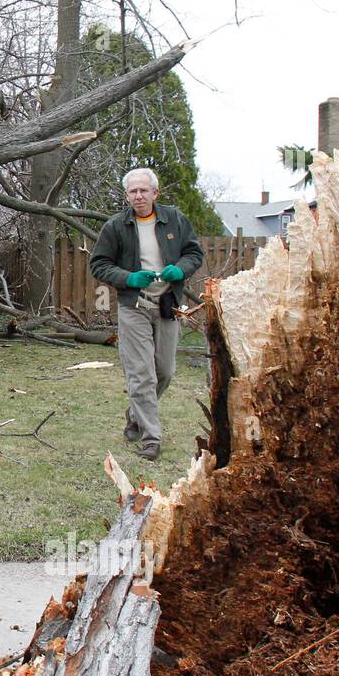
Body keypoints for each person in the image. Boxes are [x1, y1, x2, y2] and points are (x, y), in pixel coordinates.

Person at [89, 168, 203, 460]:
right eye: (132, 192)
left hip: (168, 304)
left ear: (155, 193)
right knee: (142, 374)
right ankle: (152, 437)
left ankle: (136, 414)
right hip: (134, 305)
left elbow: (194, 253)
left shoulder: (174, 219)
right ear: (127, 195)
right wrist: (128, 278)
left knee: (164, 371)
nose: (138, 196)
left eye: (143, 190)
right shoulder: (116, 226)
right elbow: (99, 264)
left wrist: (181, 269)